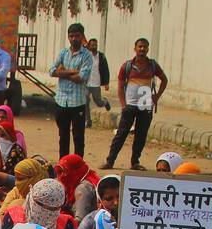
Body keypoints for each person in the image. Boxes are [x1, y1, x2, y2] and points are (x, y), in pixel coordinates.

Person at [101, 39, 167, 171]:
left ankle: (135, 162)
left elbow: (164, 79)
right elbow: (120, 86)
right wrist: (123, 104)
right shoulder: (127, 66)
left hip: (145, 107)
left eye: (144, 47)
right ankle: (110, 161)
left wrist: (156, 97)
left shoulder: (152, 65)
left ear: (148, 49)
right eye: (140, 47)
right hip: (130, 106)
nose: (142, 49)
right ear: (135, 48)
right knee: (121, 134)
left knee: (141, 136)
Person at [51, 24, 93, 159]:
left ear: (82, 36)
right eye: (71, 36)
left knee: (78, 137)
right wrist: (71, 71)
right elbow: (52, 71)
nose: (74, 38)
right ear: (68, 37)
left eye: (77, 36)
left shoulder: (86, 56)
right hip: (62, 101)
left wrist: (62, 72)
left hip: (77, 103)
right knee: (63, 136)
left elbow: (82, 77)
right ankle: (63, 164)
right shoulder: (63, 53)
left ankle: (78, 164)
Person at [84, 38, 110, 128]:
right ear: (89, 46)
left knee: (98, 102)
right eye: (92, 45)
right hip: (86, 83)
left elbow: (105, 70)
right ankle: (88, 121)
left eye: (96, 45)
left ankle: (105, 102)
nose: (94, 46)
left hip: (96, 83)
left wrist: (106, 83)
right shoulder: (86, 55)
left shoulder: (101, 56)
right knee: (85, 100)